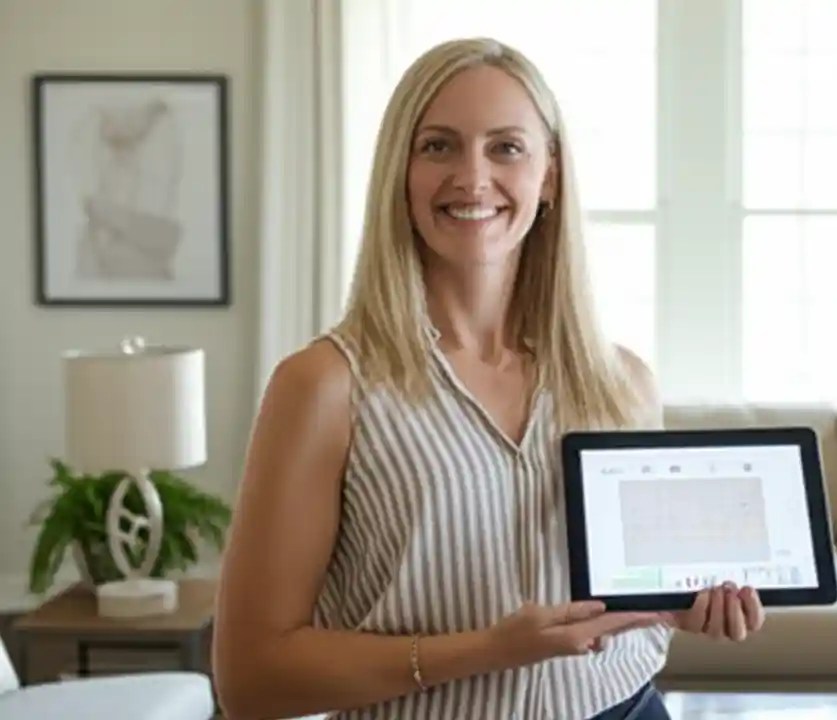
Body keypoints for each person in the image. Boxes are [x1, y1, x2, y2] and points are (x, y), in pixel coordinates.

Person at [212, 37, 766, 720]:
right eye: (439, 146)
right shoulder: (324, 386)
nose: (472, 179)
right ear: (400, 171)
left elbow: (627, 598)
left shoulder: (622, 382)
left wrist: (676, 608)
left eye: (506, 147)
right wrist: (487, 650)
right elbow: (250, 678)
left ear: (551, 177)